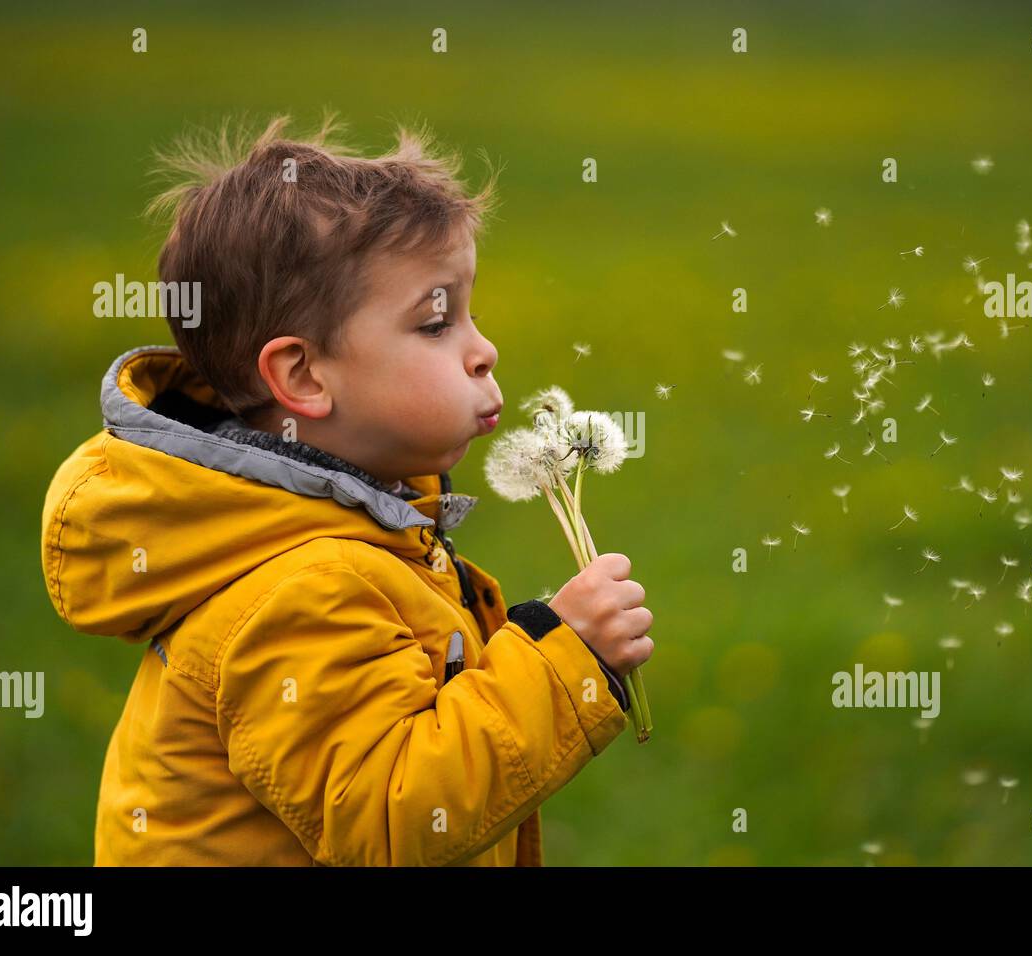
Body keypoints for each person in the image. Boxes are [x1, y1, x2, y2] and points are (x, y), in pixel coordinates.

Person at [39, 115, 654, 866]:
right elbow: (389, 817)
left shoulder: (352, 531)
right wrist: (566, 664)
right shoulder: (301, 589)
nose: (484, 349)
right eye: (436, 322)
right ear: (301, 377)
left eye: (472, 313)